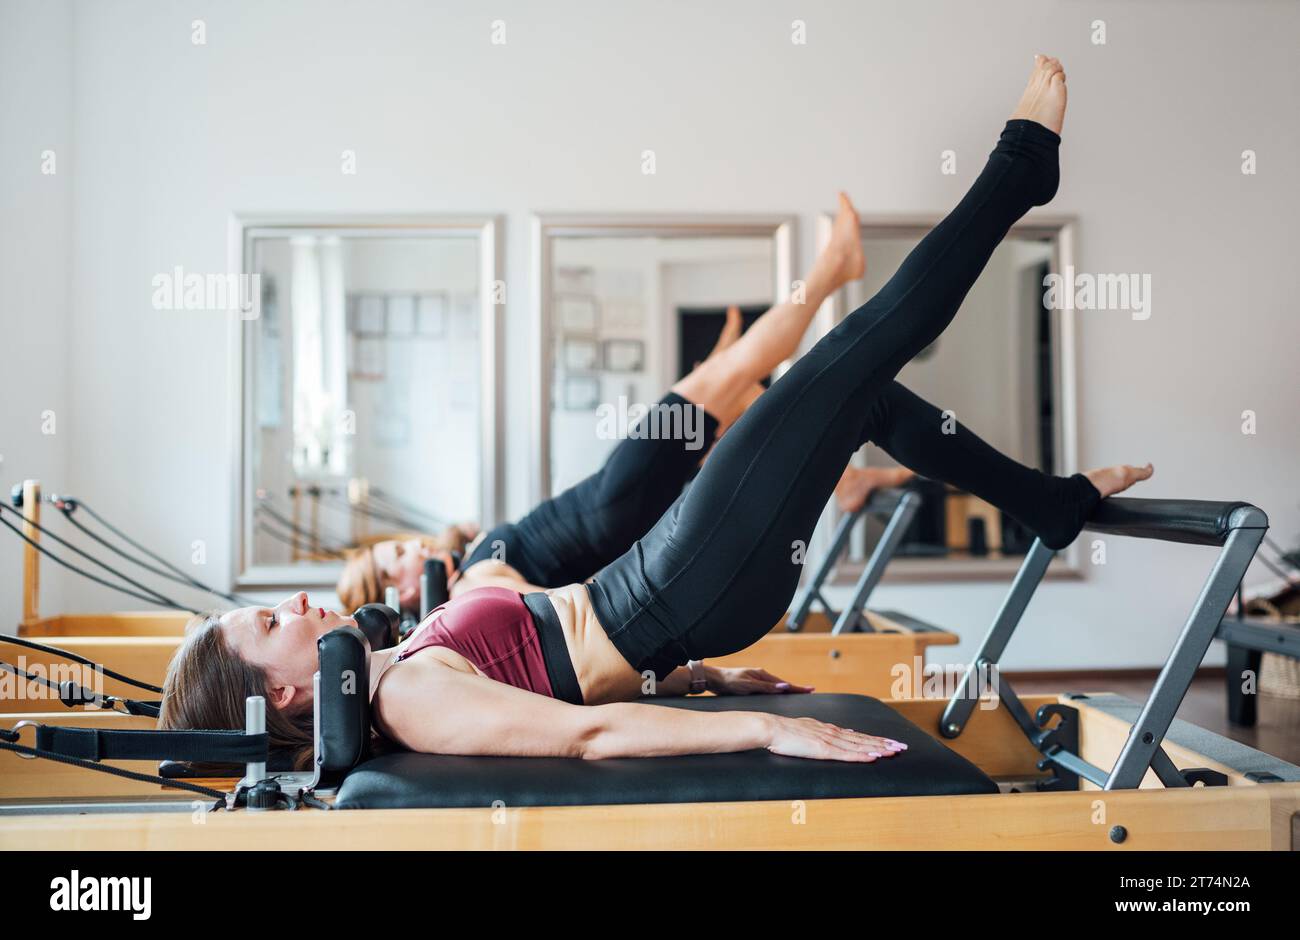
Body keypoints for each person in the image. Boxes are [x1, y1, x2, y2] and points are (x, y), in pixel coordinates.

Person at [163, 56, 1152, 767]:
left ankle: (1043, 503)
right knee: (855, 350)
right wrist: (764, 727)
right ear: (281, 692)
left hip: (678, 590)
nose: (293, 604)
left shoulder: (394, 667)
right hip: (682, 580)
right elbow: (588, 732)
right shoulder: (411, 696)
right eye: (267, 621)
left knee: (861, 390)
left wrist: (699, 683)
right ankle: (1020, 171)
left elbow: (574, 678)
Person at [337, 207, 900, 612]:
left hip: (615, 501)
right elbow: (549, 608)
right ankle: (833, 268)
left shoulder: (465, 566)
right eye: (394, 564)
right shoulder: (469, 588)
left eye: (393, 547)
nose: (408, 549)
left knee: (726, 401)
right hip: (614, 497)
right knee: (731, 377)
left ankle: (843, 477)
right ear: (399, 594)